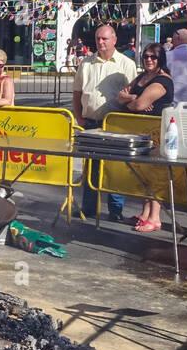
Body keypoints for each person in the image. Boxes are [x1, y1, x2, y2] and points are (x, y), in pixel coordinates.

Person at [71, 24, 137, 222]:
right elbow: (77, 92)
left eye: (104, 39)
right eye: (98, 38)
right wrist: (79, 117)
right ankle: (89, 208)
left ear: (114, 40)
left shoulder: (127, 64)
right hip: (90, 123)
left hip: (115, 125)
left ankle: (116, 211)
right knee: (91, 166)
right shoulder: (86, 63)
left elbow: (133, 95)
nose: (100, 42)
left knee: (115, 168)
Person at [114, 42, 175, 233]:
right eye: (146, 56)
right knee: (144, 175)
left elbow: (139, 105)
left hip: (156, 132)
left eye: (153, 57)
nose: (149, 59)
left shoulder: (163, 80)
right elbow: (120, 97)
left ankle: (155, 217)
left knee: (156, 175)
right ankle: (145, 213)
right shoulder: (142, 77)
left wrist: (133, 99)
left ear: (160, 59)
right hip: (141, 134)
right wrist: (133, 99)